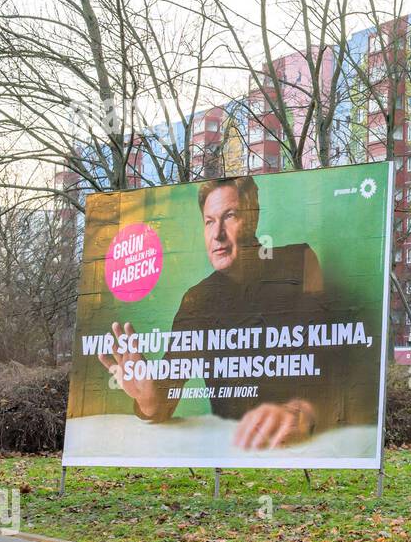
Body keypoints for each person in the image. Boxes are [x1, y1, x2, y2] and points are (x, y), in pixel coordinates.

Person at [98, 176, 352, 450]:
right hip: (233, 452)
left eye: (229, 216)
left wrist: (304, 410)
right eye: (209, 221)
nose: (217, 234)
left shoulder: (299, 262)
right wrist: (148, 399)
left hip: (306, 448)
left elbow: (332, 360)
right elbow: (163, 400)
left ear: (252, 218)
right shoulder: (197, 300)